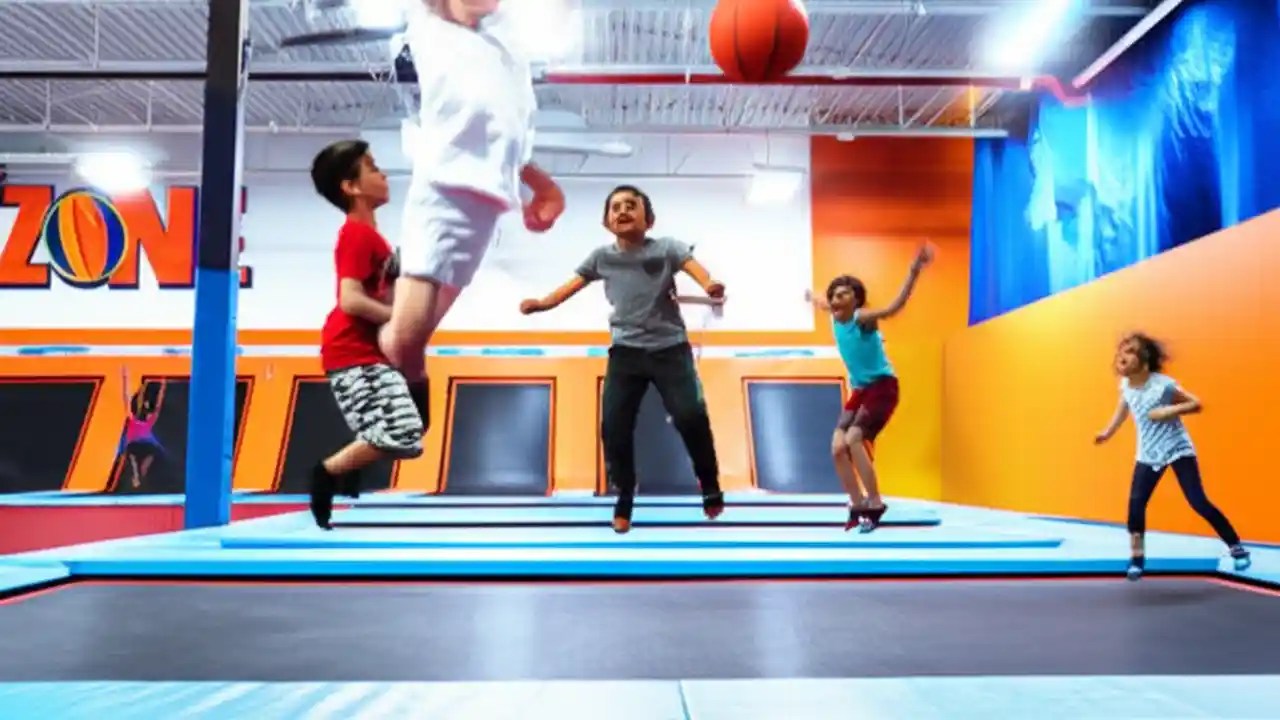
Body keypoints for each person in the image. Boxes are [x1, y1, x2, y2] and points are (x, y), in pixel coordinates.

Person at [378, 0, 565, 386]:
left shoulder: (508, 39)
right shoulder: (431, 22)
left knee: (415, 336)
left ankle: (394, 362)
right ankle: (397, 371)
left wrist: (542, 186)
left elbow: (503, 129)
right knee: (404, 341)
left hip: (490, 197)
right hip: (444, 186)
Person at [519, 185, 725, 533]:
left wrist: (710, 285)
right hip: (626, 352)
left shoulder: (667, 248)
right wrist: (542, 303)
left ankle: (709, 483)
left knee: (690, 414)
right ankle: (625, 493)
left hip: (670, 349)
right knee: (613, 427)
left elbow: (697, 270)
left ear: (649, 219)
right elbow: (571, 285)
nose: (623, 211)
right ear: (606, 221)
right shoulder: (601, 257)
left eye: (632, 205)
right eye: (616, 207)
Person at [309, 139, 428, 530]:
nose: (383, 174)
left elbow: (377, 294)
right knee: (405, 434)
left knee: (414, 429)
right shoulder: (356, 235)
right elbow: (351, 300)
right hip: (350, 350)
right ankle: (327, 474)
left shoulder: (373, 239)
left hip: (369, 350)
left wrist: (395, 281)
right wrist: (399, 317)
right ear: (351, 187)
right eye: (373, 168)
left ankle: (352, 468)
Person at [1094, 333, 1251, 580]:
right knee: (1135, 506)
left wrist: (1168, 411)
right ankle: (1137, 560)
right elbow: (1123, 410)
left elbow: (1195, 404)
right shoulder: (1125, 385)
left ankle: (1235, 546)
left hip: (1177, 449)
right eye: (1121, 351)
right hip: (1148, 452)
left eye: (1130, 351)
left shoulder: (1164, 385)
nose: (1121, 356)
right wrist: (1107, 432)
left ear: (1145, 361)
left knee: (1197, 501)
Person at [806, 242, 933, 532]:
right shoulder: (832, 312)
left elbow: (893, 308)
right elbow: (822, 302)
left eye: (843, 295)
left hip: (883, 386)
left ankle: (875, 502)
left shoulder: (861, 319)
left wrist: (914, 272)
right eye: (833, 295)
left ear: (856, 301)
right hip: (861, 389)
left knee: (853, 438)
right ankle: (857, 503)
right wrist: (811, 297)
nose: (836, 299)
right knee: (837, 446)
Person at [119, 369, 167, 490]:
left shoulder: (148, 422)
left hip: (143, 446)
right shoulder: (132, 419)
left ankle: (140, 475)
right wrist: (125, 378)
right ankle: (137, 475)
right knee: (133, 457)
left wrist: (162, 387)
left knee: (141, 458)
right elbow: (126, 398)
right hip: (136, 445)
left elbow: (158, 407)